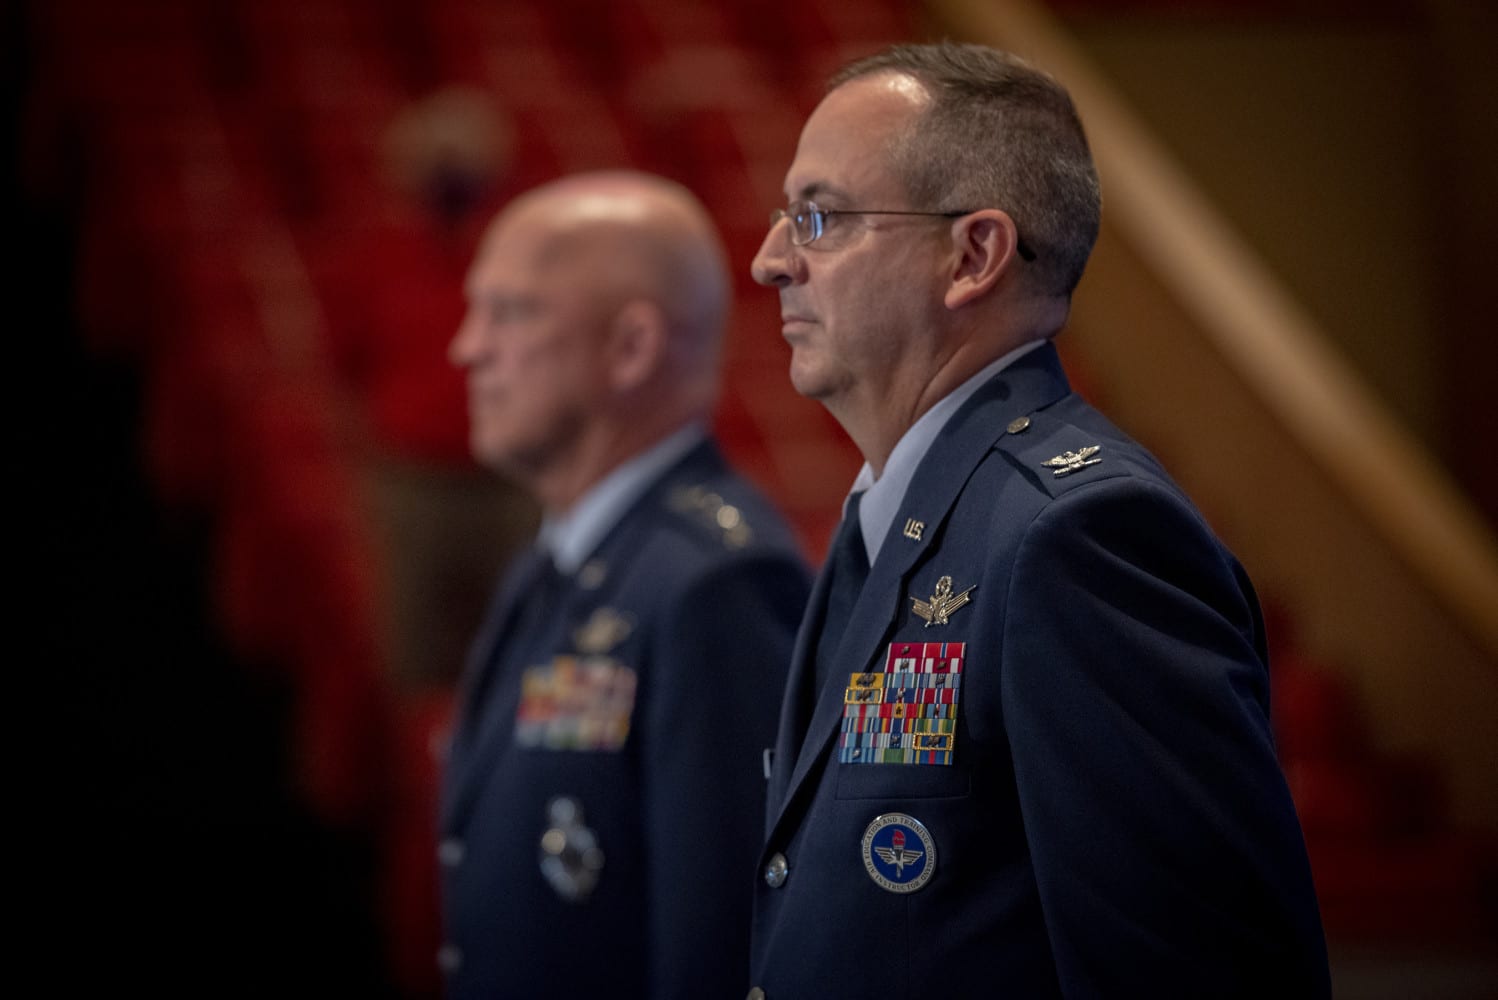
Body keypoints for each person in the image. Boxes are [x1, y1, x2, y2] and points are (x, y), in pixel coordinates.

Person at [745, 42, 1330, 998]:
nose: (773, 260)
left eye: (820, 217)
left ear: (972, 255)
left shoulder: (1079, 535)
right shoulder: (905, 513)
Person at [438, 170, 812, 1000]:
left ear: (631, 348)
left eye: (511, 311)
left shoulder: (715, 585)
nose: (468, 347)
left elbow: (721, 951)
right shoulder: (563, 559)